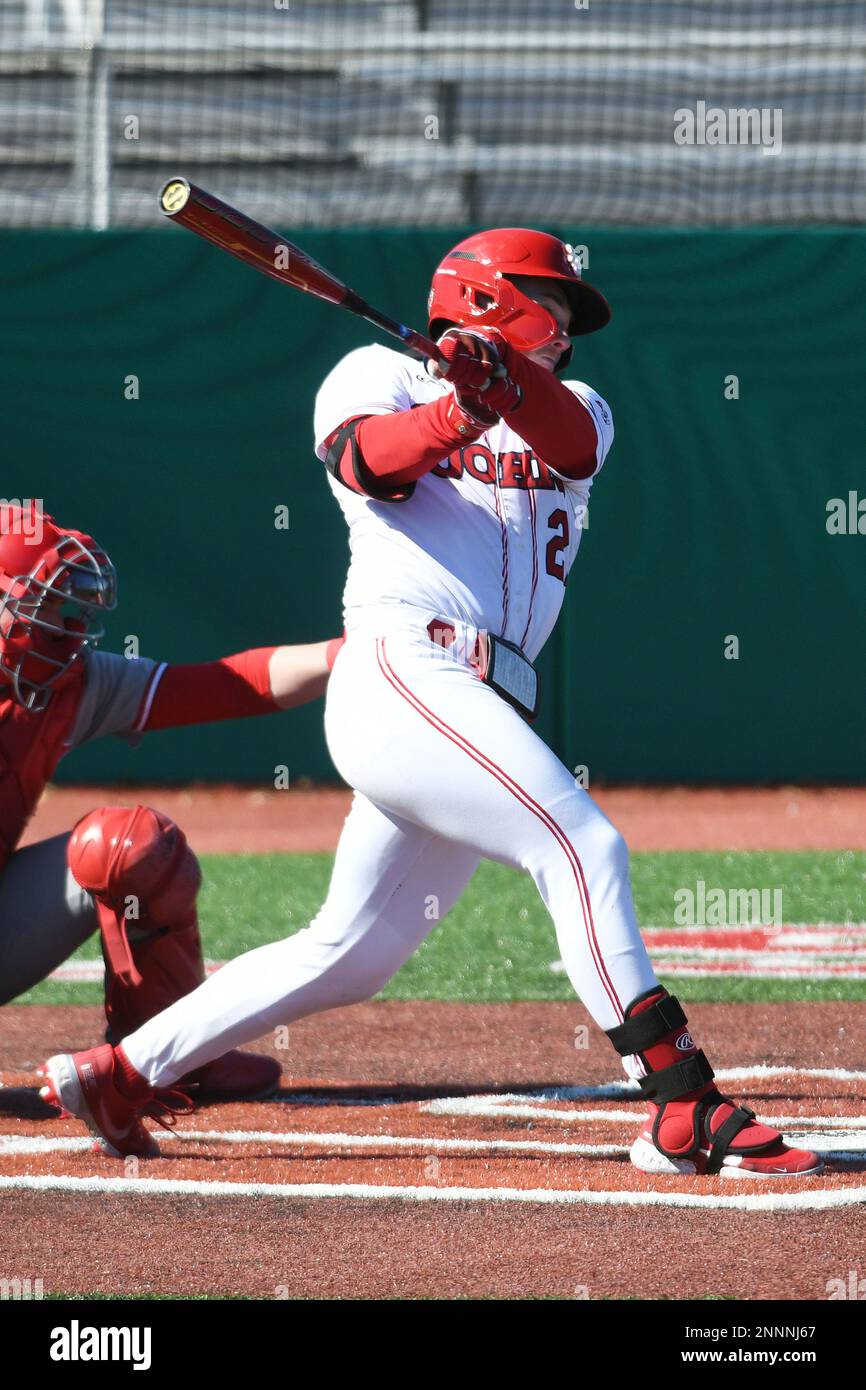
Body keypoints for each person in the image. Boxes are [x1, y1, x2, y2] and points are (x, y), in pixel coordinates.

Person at [42, 232, 820, 1177]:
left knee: (351, 953)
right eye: (555, 309)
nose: (567, 335)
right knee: (581, 845)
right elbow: (370, 462)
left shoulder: (579, 408)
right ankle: (682, 1102)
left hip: (480, 703)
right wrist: (459, 403)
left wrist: (501, 382)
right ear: (489, 300)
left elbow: (569, 439)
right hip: (406, 669)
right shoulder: (373, 371)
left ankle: (122, 1070)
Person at [0, 502, 341, 1100]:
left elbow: (223, 687)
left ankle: (160, 1061)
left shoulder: (65, 682)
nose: (70, 628)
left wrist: (347, 655)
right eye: (50, 606)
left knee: (131, 847)